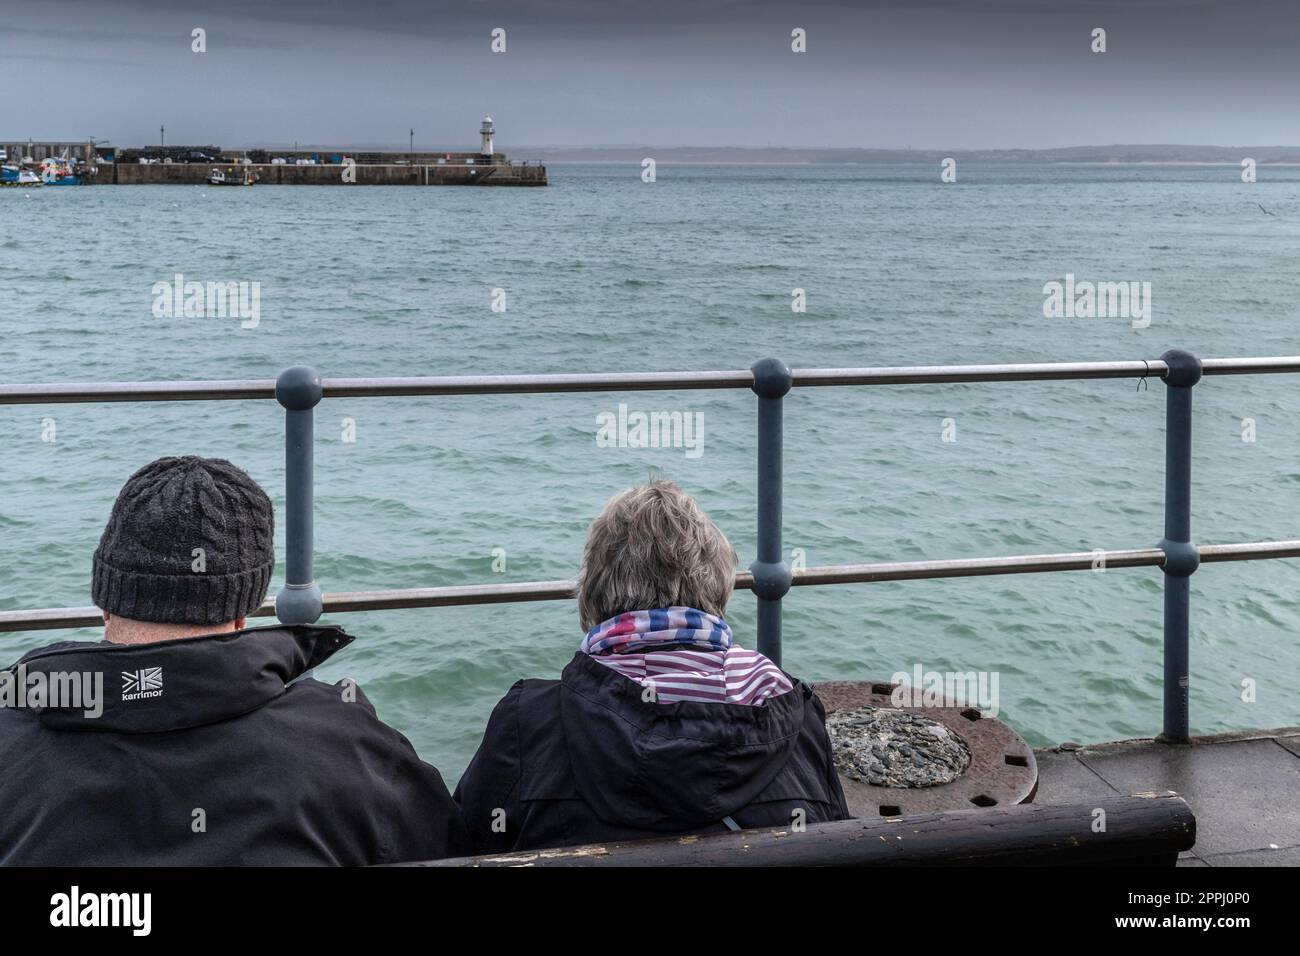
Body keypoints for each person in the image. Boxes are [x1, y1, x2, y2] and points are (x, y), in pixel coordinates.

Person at [0, 455, 468, 866]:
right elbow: (448, 850)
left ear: (105, 597)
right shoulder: (350, 749)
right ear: (245, 608)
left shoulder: (12, 735)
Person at [455, 479, 849, 852]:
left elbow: (463, 848)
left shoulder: (528, 721)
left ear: (593, 590)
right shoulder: (796, 716)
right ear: (718, 587)